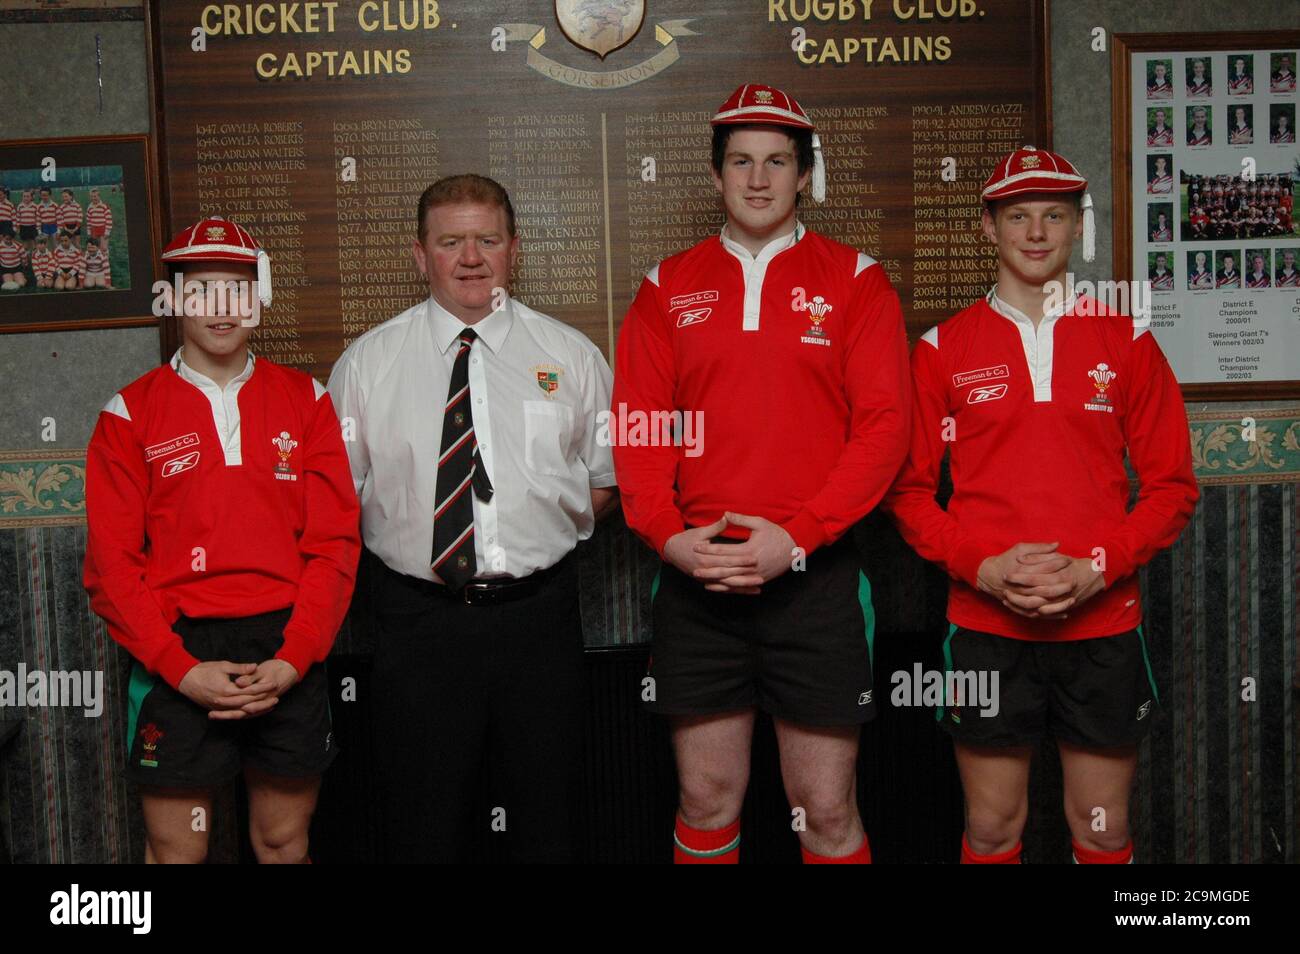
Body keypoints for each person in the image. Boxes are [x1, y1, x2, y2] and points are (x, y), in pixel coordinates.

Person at [612, 83, 910, 865]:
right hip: (697, 580)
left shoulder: (856, 280)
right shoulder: (664, 287)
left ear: (804, 174)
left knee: (824, 807)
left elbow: (885, 432)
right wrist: (671, 540)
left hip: (815, 582)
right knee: (706, 799)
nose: (757, 178)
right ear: (715, 176)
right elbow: (641, 432)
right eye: (740, 161)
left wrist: (800, 537)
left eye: (777, 161)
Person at [884, 145, 1198, 865]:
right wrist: (981, 567)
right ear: (986, 228)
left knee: (1102, 831)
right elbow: (905, 492)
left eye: (1053, 215)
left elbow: (1174, 486)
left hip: (1102, 626)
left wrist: (1101, 565)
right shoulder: (940, 349)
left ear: (1075, 228)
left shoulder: (1128, 338)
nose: (1035, 232)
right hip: (984, 628)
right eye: (1016, 215)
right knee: (994, 829)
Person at [327, 174, 618, 863]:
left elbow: (607, 483)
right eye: (450, 241)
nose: (470, 257)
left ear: (513, 249)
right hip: (416, 625)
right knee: (422, 823)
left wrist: (537, 538)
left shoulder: (572, 358)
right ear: (419, 256)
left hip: (538, 620)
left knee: (550, 820)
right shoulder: (367, 365)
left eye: (487, 239)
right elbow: (336, 497)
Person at [84, 216, 360, 863]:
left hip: (285, 645)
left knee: (282, 839)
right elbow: (111, 568)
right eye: (201, 288)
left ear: (257, 299)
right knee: (180, 850)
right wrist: (181, 669)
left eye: (237, 289)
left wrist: (295, 657)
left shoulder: (308, 400)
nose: (220, 307)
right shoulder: (129, 414)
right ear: (175, 298)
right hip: (179, 649)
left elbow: (336, 544)